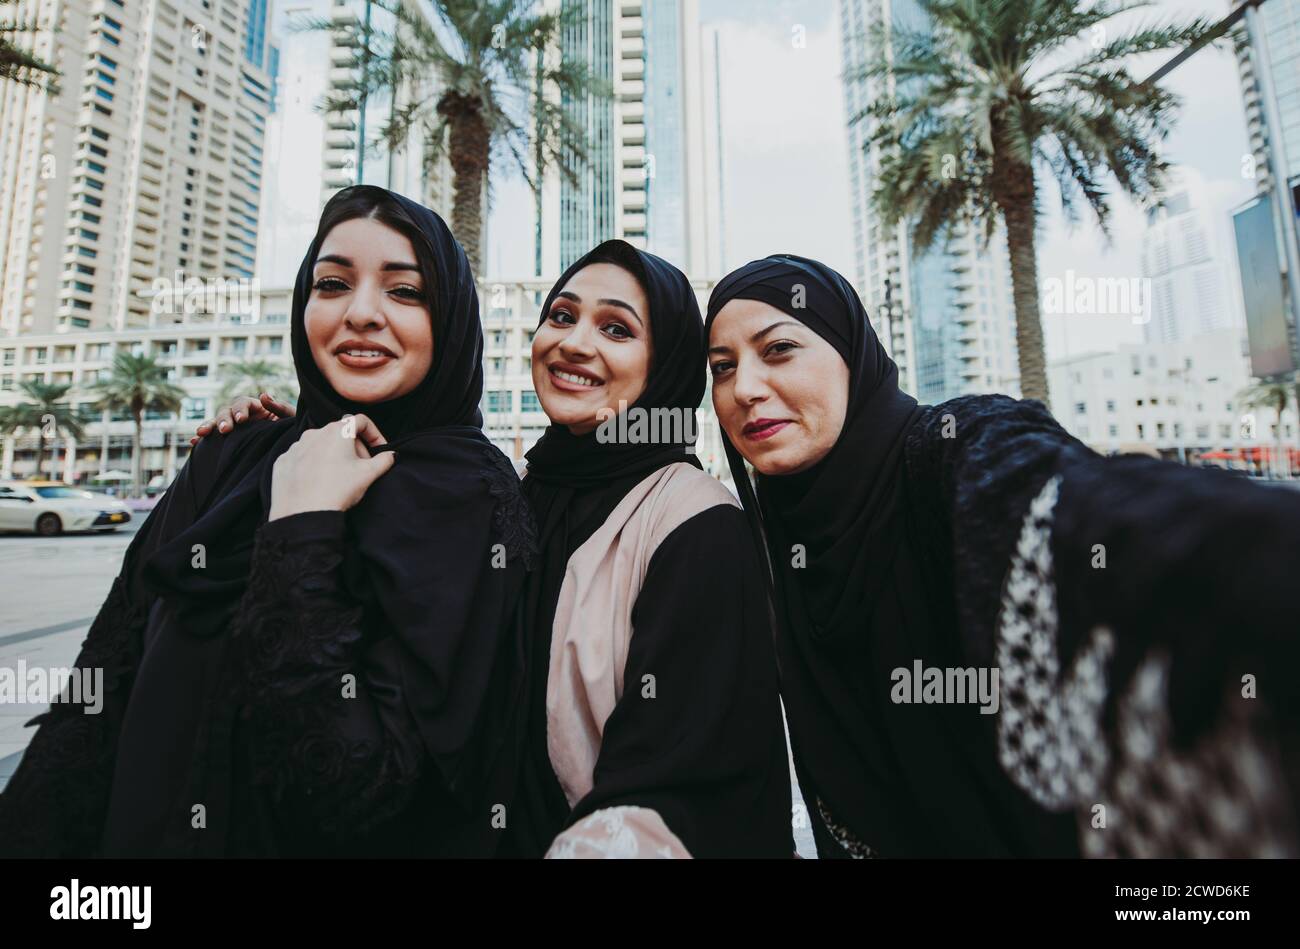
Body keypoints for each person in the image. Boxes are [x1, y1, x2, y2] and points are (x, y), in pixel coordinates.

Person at [206, 241, 795, 858]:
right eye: (561, 316)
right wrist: (275, 444)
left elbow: (684, 786)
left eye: (616, 328)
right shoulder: (514, 498)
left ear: (665, 363)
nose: (573, 342)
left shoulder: (696, 525)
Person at [705, 253, 1300, 858]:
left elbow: (1088, 512)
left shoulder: (954, 451)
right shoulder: (767, 536)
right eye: (722, 368)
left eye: (778, 349)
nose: (745, 389)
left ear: (851, 352)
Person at [0, 185, 534, 857]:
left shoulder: (473, 500)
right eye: (333, 283)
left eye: (405, 292)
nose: (362, 313)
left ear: (451, 321)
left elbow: (357, 788)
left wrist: (303, 529)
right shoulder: (236, 453)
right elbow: (105, 675)